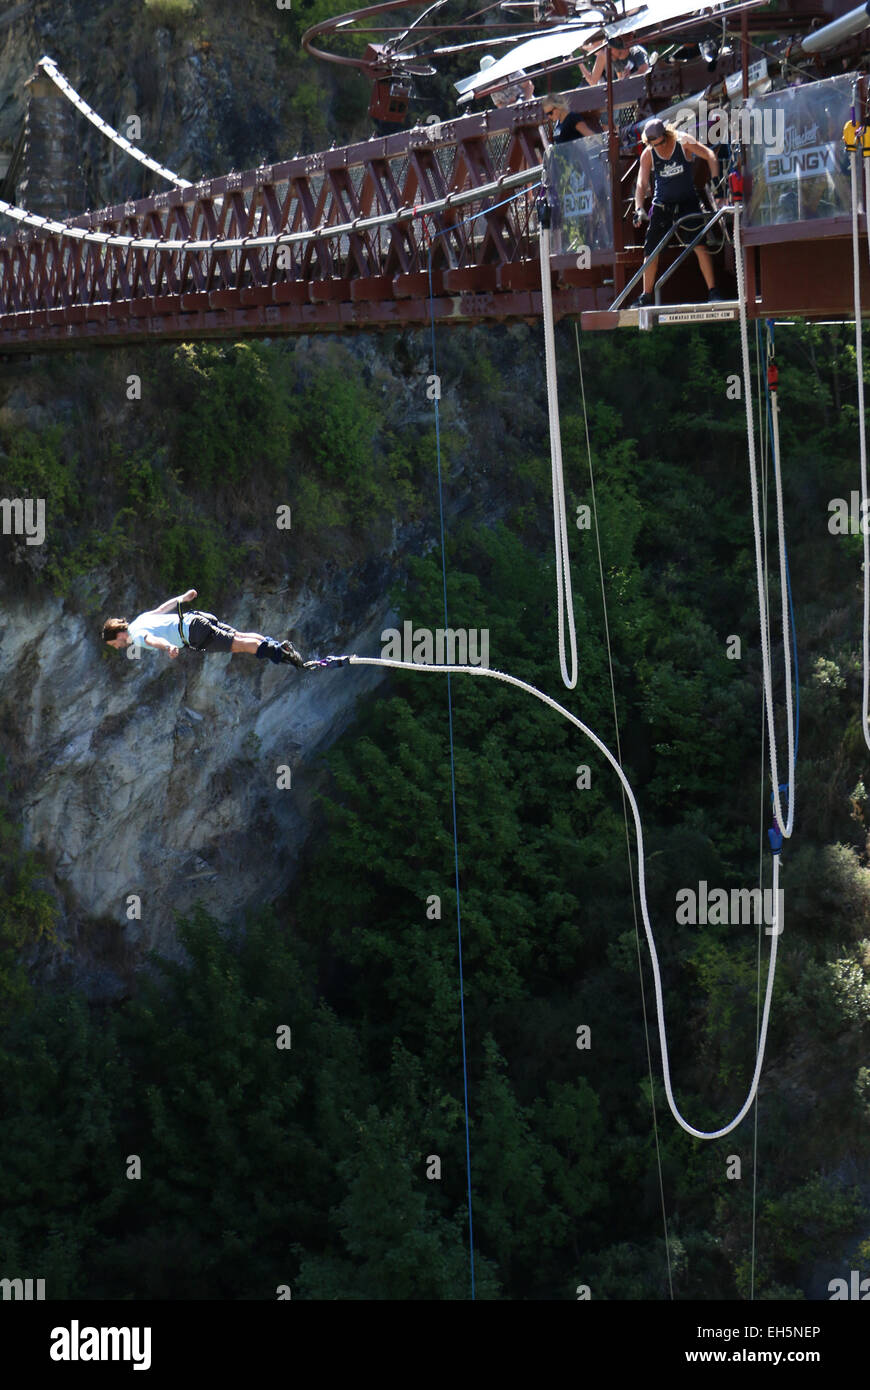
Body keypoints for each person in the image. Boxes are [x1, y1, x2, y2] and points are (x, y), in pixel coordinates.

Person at [631, 117, 723, 307]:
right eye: (654, 145)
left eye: (662, 143)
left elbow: (710, 156)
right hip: (662, 205)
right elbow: (641, 184)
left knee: (699, 245)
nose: (660, 147)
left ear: (667, 135)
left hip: (687, 202)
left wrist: (716, 184)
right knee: (651, 250)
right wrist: (638, 208)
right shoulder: (648, 154)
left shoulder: (683, 142)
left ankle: (713, 291)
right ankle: (646, 296)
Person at [102, 588, 305, 666]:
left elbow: (151, 640)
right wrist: (182, 598)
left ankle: (280, 653)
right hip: (197, 618)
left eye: (113, 643)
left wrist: (167, 647)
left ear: (119, 634)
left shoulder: (136, 636)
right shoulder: (140, 619)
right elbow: (162, 609)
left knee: (238, 645)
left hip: (195, 633)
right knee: (240, 636)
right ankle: (277, 646)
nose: (116, 647)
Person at [579, 35, 650, 87]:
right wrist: (624, 79)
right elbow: (620, 78)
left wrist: (628, 78)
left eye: (610, 49)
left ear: (616, 47)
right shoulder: (615, 60)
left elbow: (644, 69)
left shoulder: (635, 51)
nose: (608, 52)